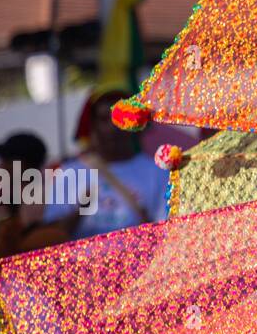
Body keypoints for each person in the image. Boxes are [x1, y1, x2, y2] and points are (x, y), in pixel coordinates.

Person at [39, 88, 170, 240]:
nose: (112, 127)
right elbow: (50, 238)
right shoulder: (68, 174)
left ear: (136, 124)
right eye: (104, 119)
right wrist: (80, 211)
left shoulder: (159, 173)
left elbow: (166, 235)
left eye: (121, 117)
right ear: (93, 127)